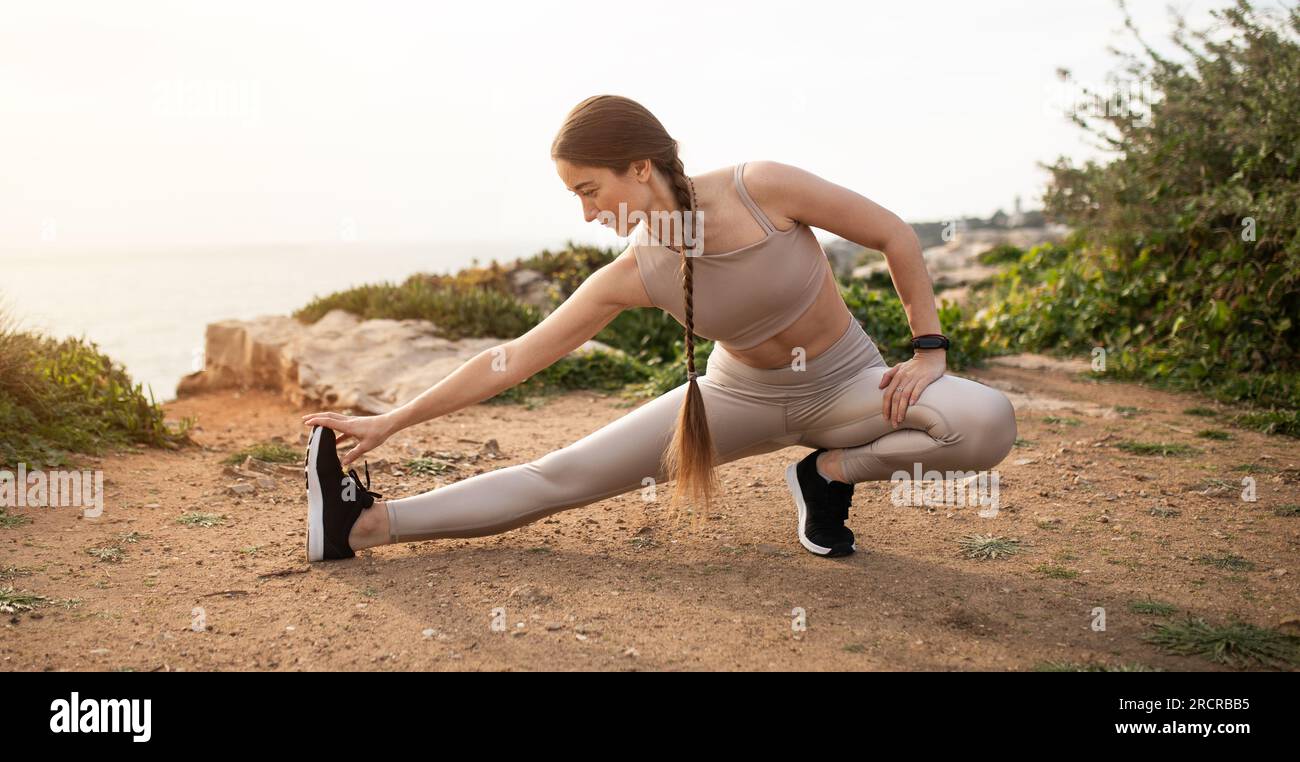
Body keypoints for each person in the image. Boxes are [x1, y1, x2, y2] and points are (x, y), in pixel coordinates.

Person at [304, 95, 1017, 563]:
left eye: (590, 190)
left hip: (849, 385)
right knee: (562, 477)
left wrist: (928, 350)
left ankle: (825, 474)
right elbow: (510, 360)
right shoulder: (633, 272)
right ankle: (368, 523)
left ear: (639, 168)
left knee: (985, 423)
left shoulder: (761, 187)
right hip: (734, 402)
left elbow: (894, 234)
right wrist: (394, 419)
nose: (586, 214)